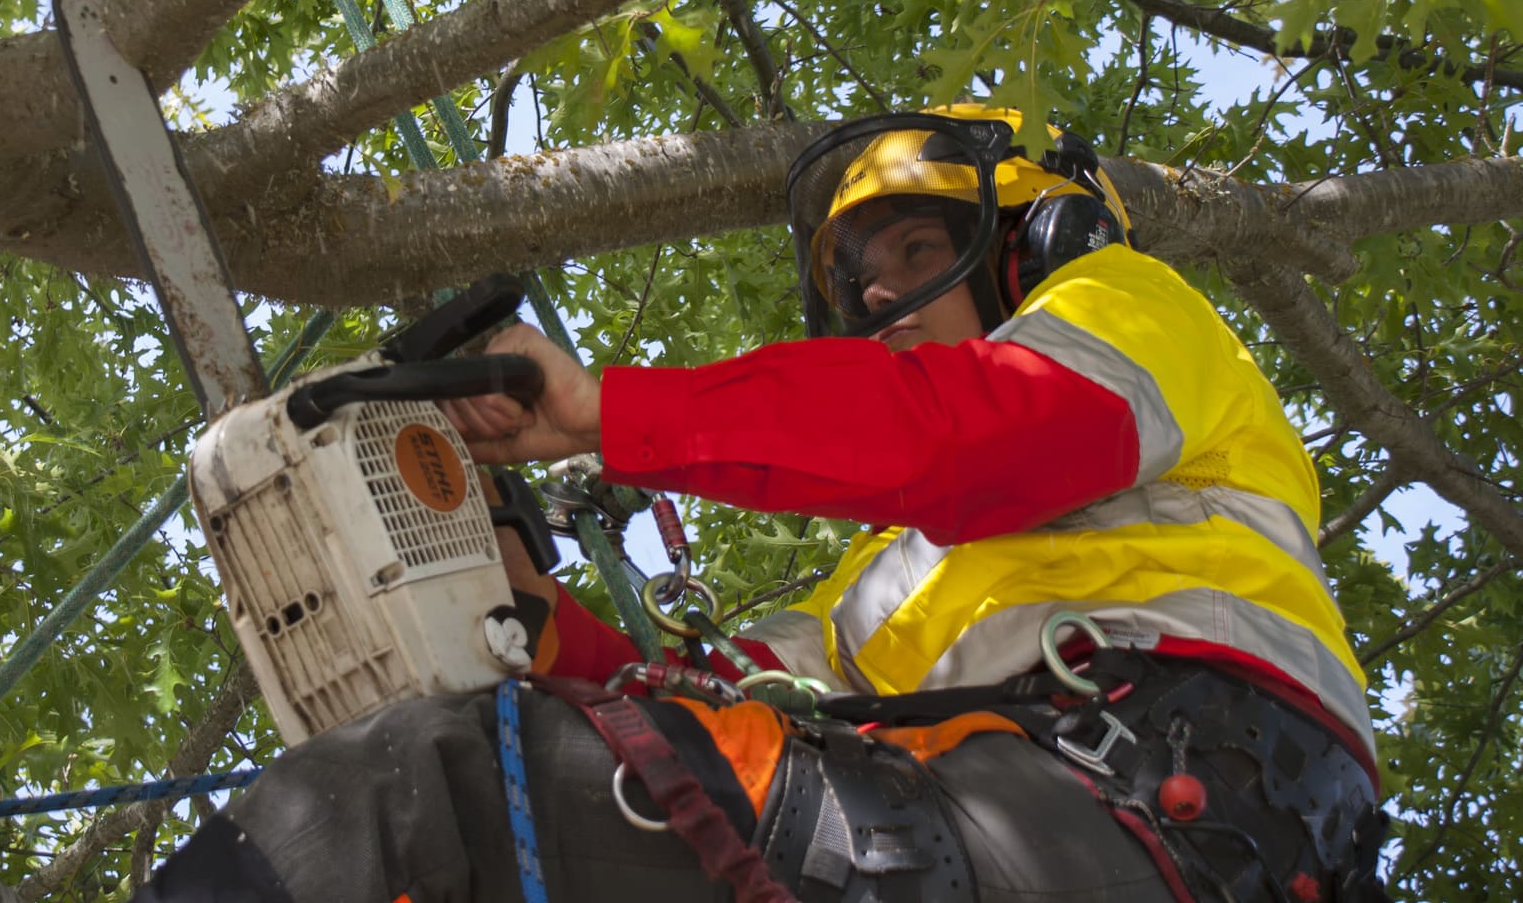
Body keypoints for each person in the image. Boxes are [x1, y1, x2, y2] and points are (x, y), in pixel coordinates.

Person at [135, 105, 1386, 903]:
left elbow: (971, 431)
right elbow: (712, 710)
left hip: (1136, 824)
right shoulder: (893, 584)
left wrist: (602, 412)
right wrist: (532, 622)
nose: (881, 295)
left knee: (429, 792)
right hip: (947, 836)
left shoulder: (1128, 320)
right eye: (856, 280)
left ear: (1028, 240)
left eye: (915, 252)